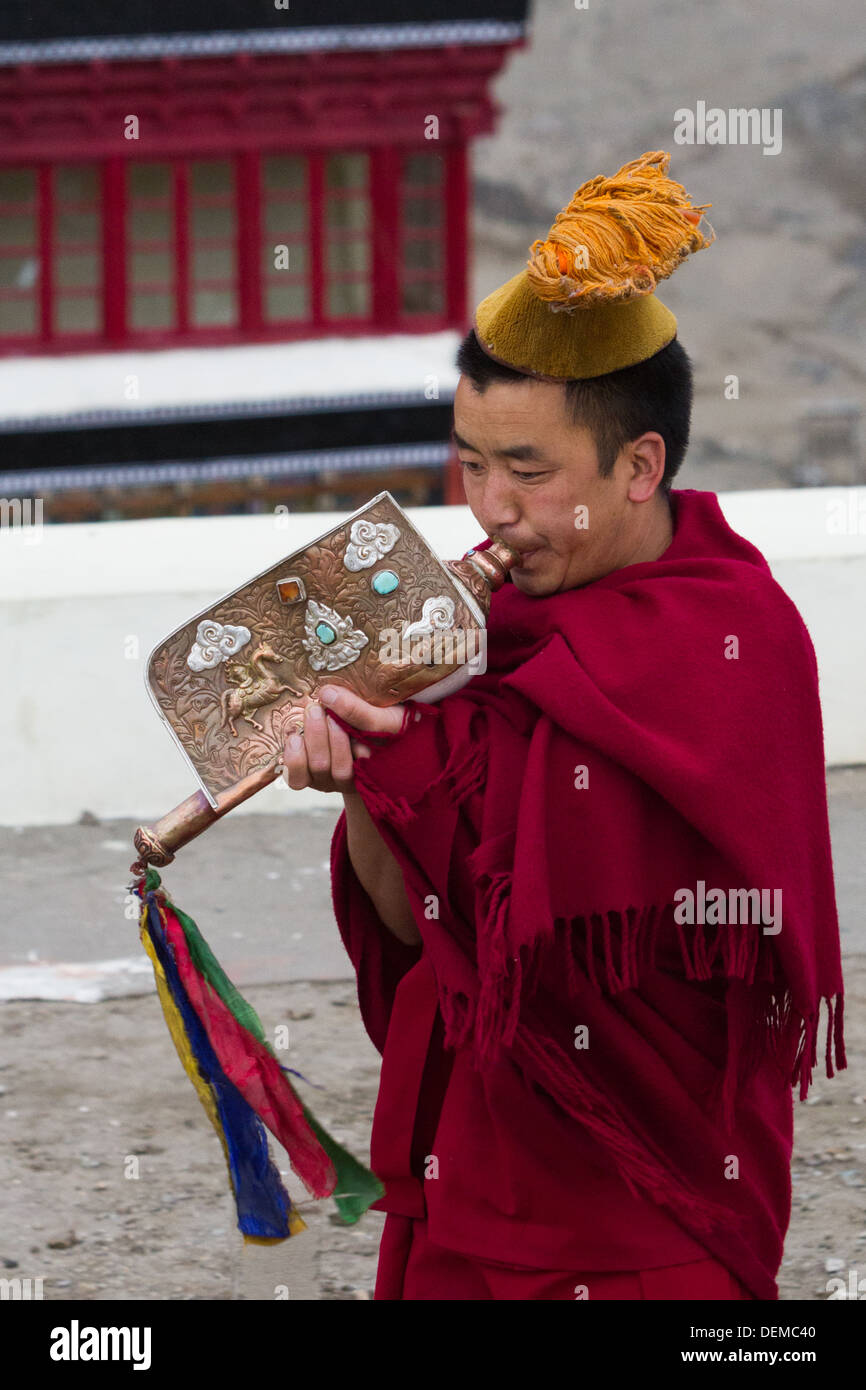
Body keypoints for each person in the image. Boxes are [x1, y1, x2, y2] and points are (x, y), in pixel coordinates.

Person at [280, 151, 846, 1301]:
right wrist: (364, 769)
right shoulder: (481, 644)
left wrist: (415, 742)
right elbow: (427, 924)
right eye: (470, 461)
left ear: (639, 465)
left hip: (647, 1216)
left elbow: (567, 944)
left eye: (527, 472)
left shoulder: (726, 637)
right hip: (466, 1186)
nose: (488, 510)